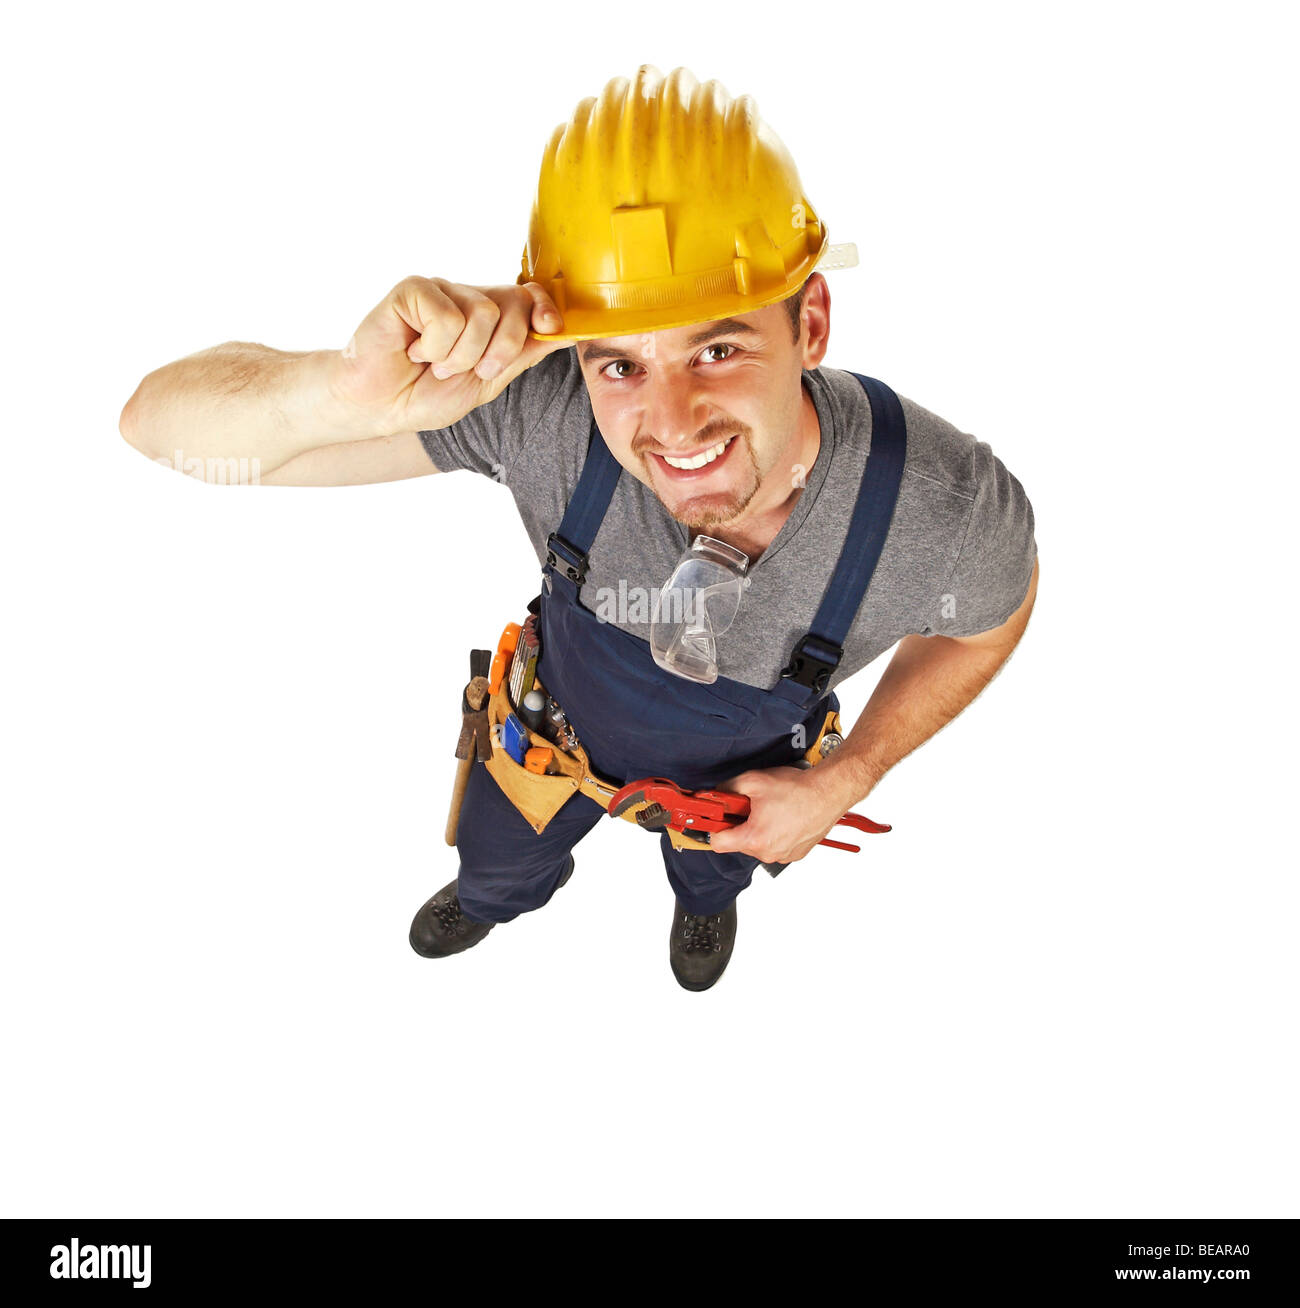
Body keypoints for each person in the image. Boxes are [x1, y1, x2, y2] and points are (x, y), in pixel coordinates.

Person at [119, 65, 1039, 992]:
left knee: (715, 865)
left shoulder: (937, 502)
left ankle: (704, 904)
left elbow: (995, 613)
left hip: (734, 795)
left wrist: (844, 780)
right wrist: (344, 394)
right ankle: (489, 898)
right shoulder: (544, 412)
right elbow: (161, 433)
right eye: (620, 366)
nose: (673, 425)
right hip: (549, 743)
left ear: (812, 322)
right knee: (497, 854)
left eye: (717, 348)